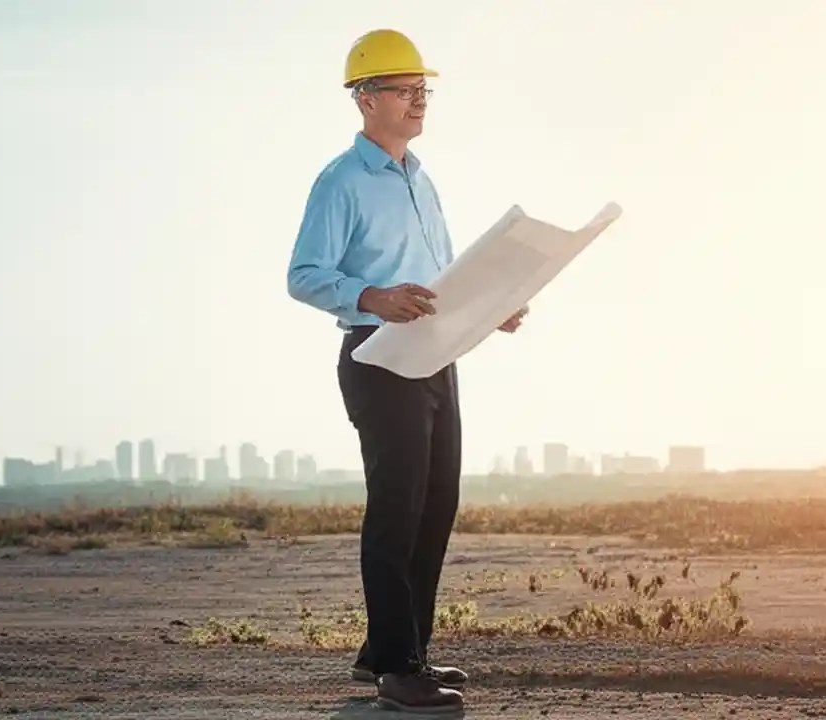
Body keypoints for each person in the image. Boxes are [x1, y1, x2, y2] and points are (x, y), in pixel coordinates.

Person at [286, 29, 527, 715]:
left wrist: (491, 307)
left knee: (435, 504)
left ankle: (399, 651)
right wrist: (372, 297)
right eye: (404, 89)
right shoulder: (340, 181)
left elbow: (440, 281)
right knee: (396, 510)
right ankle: (398, 667)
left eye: (425, 89)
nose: (420, 100)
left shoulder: (423, 180)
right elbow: (304, 275)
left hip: (435, 357)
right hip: (378, 356)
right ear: (365, 100)